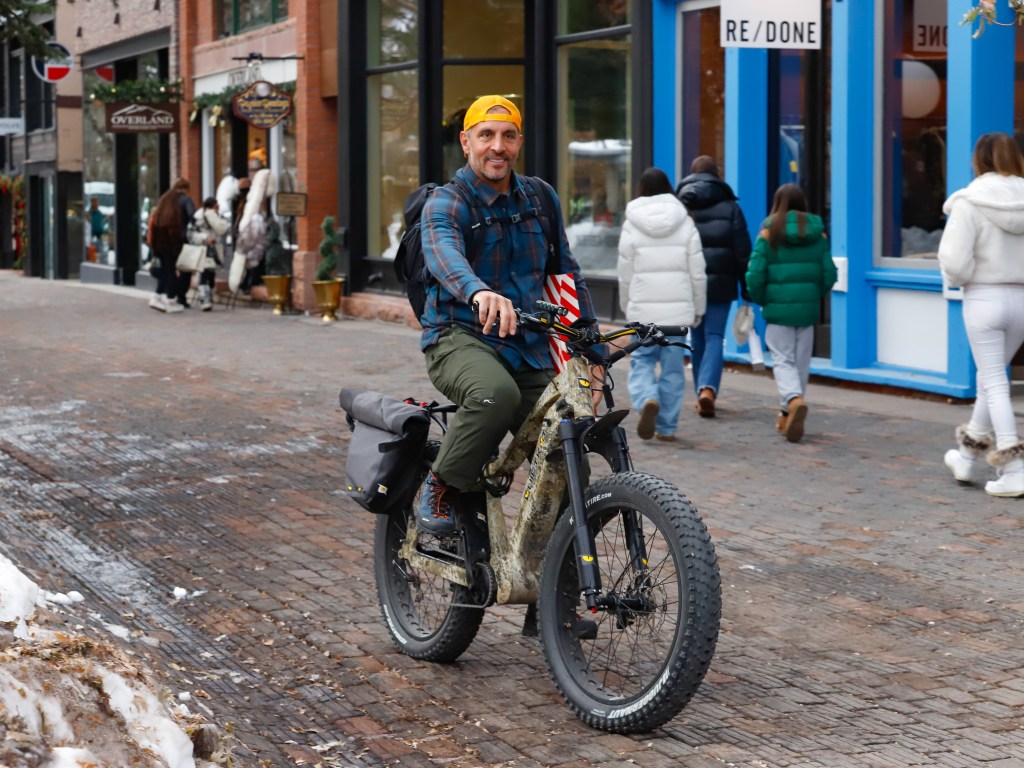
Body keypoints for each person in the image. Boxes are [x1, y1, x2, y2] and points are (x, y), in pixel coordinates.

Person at [416, 94, 600, 534]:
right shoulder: (447, 201)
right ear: (466, 142)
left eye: (508, 136)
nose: (497, 146)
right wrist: (479, 292)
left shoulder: (540, 196)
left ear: (518, 142)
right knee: (495, 395)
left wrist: (590, 347)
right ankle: (439, 484)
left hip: (528, 346)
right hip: (459, 336)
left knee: (567, 454)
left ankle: (556, 591)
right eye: (486, 135)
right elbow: (443, 253)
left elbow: (565, 273)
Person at [937, 132, 1024, 498]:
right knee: (991, 381)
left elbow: (954, 263)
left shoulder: (969, 202)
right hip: (1021, 299)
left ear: (979, 160)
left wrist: (963, 278)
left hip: (984, 297)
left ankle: (1015, 467)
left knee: (993, 380)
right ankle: (966, 456)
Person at [617, 167, 705, 442]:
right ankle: (667, 427)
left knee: (642, 360)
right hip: (677, 312)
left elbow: (625, 271)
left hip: (643, 310)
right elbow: (697, 272)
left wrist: (626, 305)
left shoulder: (632, 222)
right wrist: (698, 308)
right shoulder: (685, 221)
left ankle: (646, 400)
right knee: (673, 368)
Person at [745, 184, 836, 443]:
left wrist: (763, 300)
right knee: (800, 364)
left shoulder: (768, 233)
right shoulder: (819, 236)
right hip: (807, 311)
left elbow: (755, 274)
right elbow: (829, 273)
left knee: (783, 361)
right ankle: (788, 413)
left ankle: (793, 401)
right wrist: (815, 296)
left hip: (778, 311)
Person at [676, 155, 752, 418]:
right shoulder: (731, 207)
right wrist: (747, 287)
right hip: (722, 281)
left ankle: (701, 390)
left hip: (689, 283)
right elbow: (743, 251)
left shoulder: (681, 205)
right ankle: (707, 389)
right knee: (715, 336)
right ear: (717, 175)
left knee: (696, 337)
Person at [147, 178, 195, 314]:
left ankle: (160, 297)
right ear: (185, 189)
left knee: (166, 270)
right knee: (174, 272)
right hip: (173, 242)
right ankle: (169, 299)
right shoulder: (184, 199)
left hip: (159, 242)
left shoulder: (165, 198)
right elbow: (192, 216)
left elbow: (155, 219)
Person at [189, 197, 230, 311]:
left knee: (206, 272)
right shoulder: (210, 213)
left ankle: (206, 297)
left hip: (200, 247)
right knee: (207, 273)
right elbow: (222, 229)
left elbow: (191, 231)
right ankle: (205, 299)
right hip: (209, 248)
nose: (219, 208)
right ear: (213, 206)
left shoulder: (199, 213)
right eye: (217, 206)